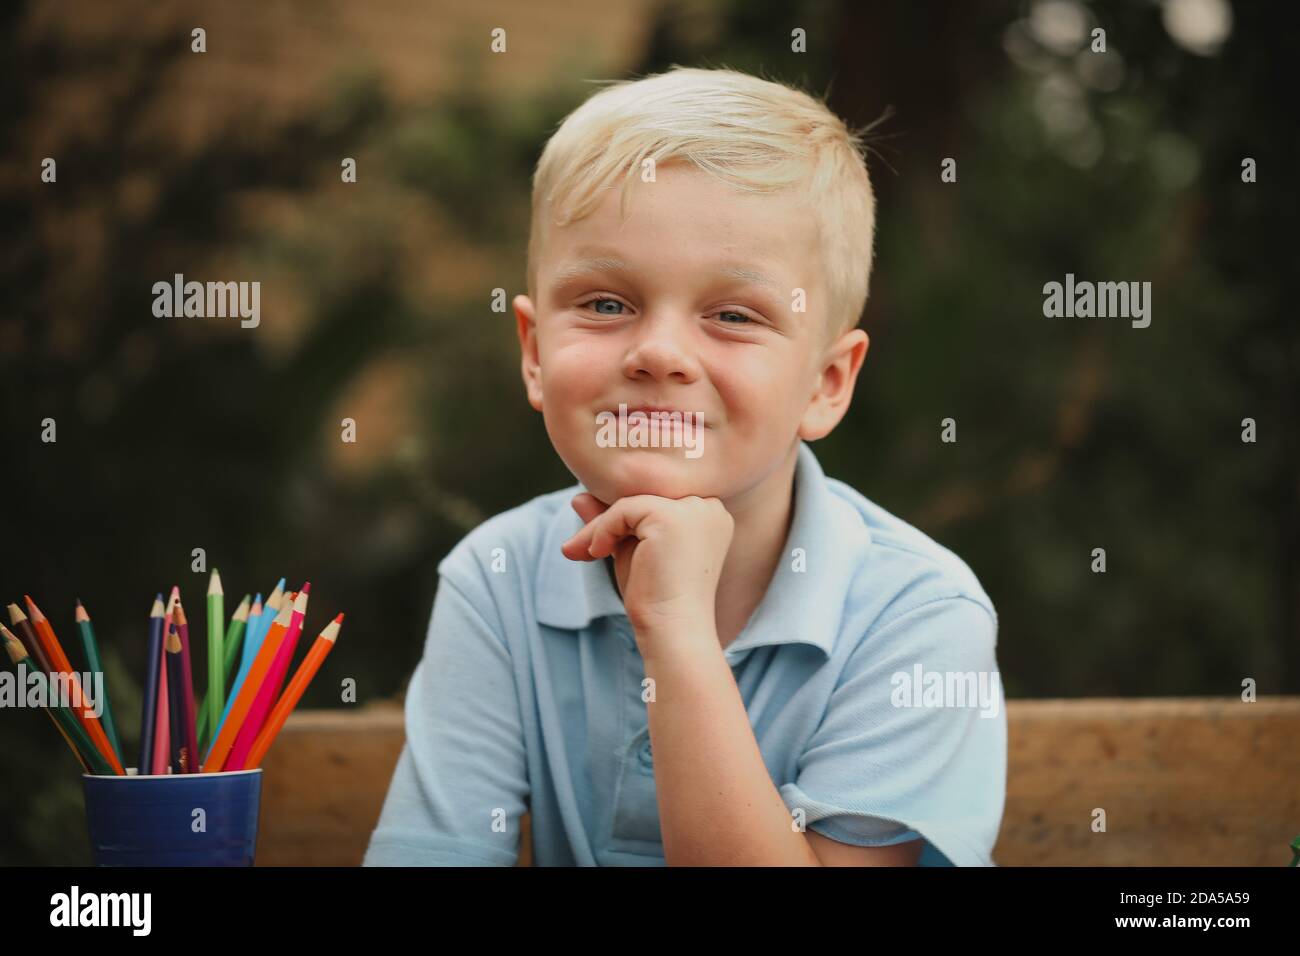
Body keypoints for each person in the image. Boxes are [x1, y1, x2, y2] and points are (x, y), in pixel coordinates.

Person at [364, 65, 1004, 866]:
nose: (659, 352)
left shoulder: (918, 615)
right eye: (605, 303)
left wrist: (676, 633)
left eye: (734, 316)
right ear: (533, 353)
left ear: (826, 383)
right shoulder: (495, 580)